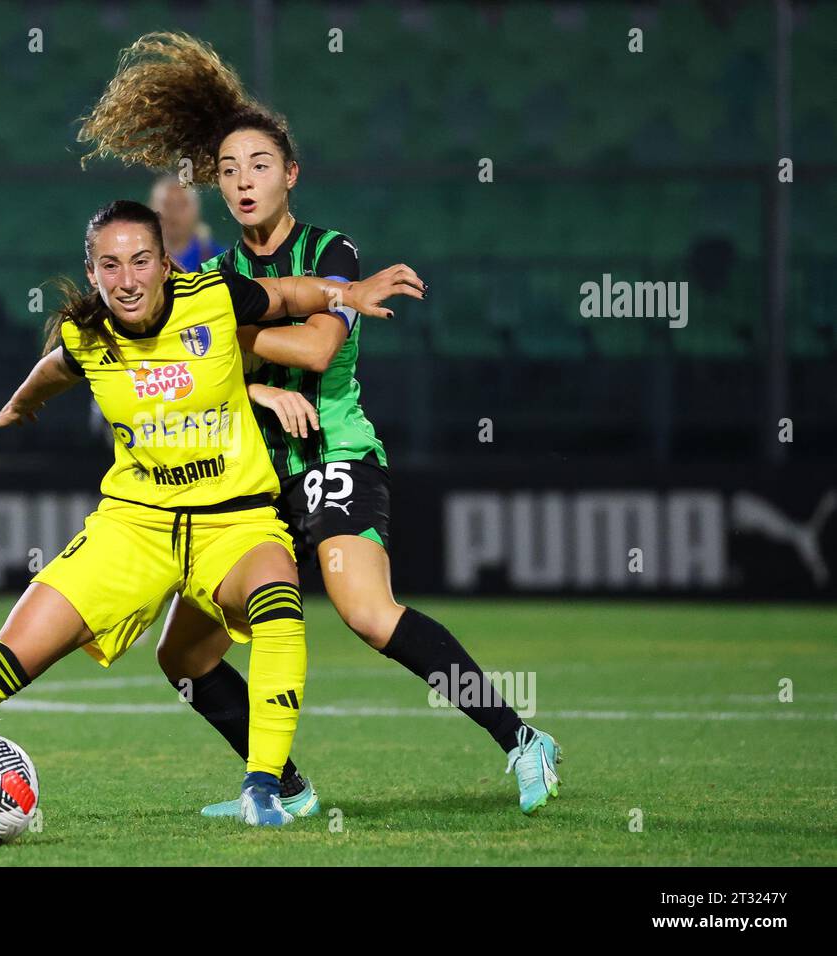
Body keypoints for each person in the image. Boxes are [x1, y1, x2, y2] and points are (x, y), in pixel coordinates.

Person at [0, 199, 423, 827]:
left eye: (139, 261)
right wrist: (21, 406)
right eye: (110, 265)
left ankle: (266, 788)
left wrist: (349, 290)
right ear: (92, 269)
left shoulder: (213, 294)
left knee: (278, 604)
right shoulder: (87, 335)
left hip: (234, 521)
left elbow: (292, 293)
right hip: (133, 527)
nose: (126, 279)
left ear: (164, 264)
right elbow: (53, 369)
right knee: (6, 655)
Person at [78, 32, 562, 816]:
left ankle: (522, 740)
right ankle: (287, 787)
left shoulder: (330, 249)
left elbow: (313, 345)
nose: (242, 182)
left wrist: (230, 336)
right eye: (228, 170)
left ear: (290, 175)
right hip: (247, 474)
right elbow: (189, 369)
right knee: (182, 655)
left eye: (259, 166)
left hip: (332, 452)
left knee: (368, 614)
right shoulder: (211, 277)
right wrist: (252, 386)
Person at [148, 174, 225, 272]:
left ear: (196, 210)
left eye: (181, 205)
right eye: (167, 204)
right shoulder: (138, 258)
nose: (173, 212)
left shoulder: (218, 260)